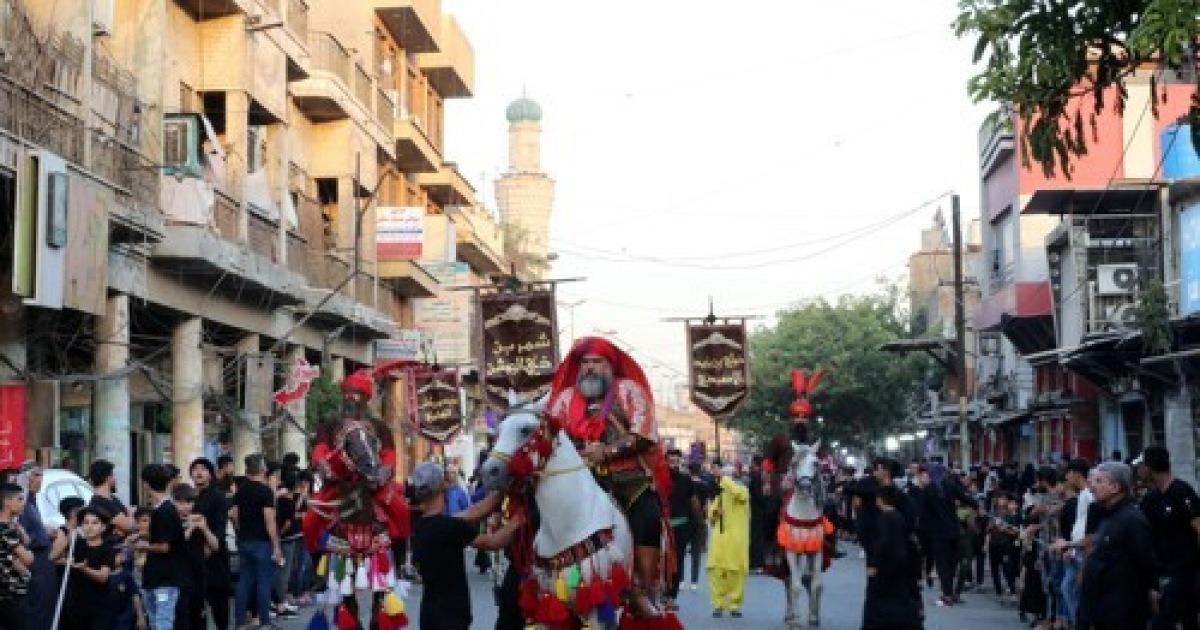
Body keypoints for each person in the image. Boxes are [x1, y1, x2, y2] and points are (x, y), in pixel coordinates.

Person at [547, 336, 671, 615]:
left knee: (648, 516)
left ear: (610, 366)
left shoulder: (629, 391)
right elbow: (550, 434)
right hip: (578, 479)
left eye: (597, 362)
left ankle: (642, 587)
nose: (590, 368)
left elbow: (644, 434)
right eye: (585, 362)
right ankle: (540, 576)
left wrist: (608, 452)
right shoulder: (565, 399)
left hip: (627, 478)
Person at [410, 462, 522, 630]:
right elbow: (494, 542)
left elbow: (472, 512)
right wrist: (519, 519)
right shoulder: (450, 527)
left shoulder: (421, 526)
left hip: (429, 615)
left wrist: (500, 492)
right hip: (452, 616)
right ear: (443, 487)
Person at [1077, 462, 1158, 630]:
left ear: (1115, 487)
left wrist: (1151, 592)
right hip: (1100, 610)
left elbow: (1145, 564)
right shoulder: (1107, 516)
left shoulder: (1132, 520)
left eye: (1099, 481)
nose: (1092, 487)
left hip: (1121, 613)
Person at [1137, 446, 1200, 630]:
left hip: (1186, 570)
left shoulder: (1182, 491)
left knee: (1164, 620)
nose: (1139, 470)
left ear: (1149, 467)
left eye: (1142, 465)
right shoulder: (1151, 499)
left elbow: (1197, 525)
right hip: (1163, 571)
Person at [862, 485, 923, 630]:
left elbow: (882, 543)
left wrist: (874, 564)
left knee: (878, 598)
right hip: (901, 563)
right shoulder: (899, 516)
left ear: (881, 500)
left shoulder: (885, 518)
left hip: (887, 564)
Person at [230, 454, 280, 629]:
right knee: (263, 582)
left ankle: (239, 622)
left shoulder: (241, 491)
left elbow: (235, 515)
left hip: (245, 540)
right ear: (262, 469)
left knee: (244, 582)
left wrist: (240, 531)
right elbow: (270, 521)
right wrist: (276, 546)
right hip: (262, 542)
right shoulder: (265, 491)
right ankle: (265, 621)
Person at [917, 462, 977, 607]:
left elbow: (922, 514)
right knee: (951, 564)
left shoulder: (928, 490)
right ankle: (951, 593)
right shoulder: (950, 486)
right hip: (953, 532)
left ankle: (947, 595)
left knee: (942, 565)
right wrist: (976, 505)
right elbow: (967, 499)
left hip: (938, 534)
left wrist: (921, 534)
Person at [52, 506, 117, 630]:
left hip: (100, 607)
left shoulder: (107, 549)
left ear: (103, 527)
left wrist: (84, 569)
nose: (89, 527)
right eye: (85, 523)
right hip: (77, 606)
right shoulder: (76, 545)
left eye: (95, 523)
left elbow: (103, 577)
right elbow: (53, 558)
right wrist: (67, 539)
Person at [137, 464, 184, 630]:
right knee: (157, 620)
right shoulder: (165, 509)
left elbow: (164, 546)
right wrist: (143, 536)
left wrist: (143, 545)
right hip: (159, 576)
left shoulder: (163, 511)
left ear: (147, 484)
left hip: (164, 577)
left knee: (162, 622)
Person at [1049, 458, 1092, 628]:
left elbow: (1090, 527)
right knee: (1068, 587)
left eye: (1068, 473)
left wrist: (1074, 547)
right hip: (1074, 547)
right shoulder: (1083, 495)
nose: (1067, 478)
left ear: (1076, 474)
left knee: (1072, 588)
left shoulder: (1089, 496)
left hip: (1083, 549)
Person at [190, 457, 231, 630]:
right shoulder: (189, 496)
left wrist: (209, 549)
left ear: (210, 474)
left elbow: (220, 526)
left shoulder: (217, 496)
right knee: (196, 605)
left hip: (215, 556)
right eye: (195, 469)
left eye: (203, 469)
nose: (198, 472)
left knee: (218, 603)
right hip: (193, 557)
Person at [173, 483, 219, 630]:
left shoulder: (199, 519)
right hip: (178, 577)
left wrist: (204, 529)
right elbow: (177, 544)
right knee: (182, 618)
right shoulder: (171, 520)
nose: (185, 507)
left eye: (189, 502)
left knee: (199, 616)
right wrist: (191, 527)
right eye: (180, 502)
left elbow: (215, 545)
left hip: (198, 574)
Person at [706, 465, 749, 618]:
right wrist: (715, 512)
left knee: (736, 572)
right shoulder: (720, 495)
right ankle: (718, 605)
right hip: (720, 537)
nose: (723, 480)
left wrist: (724, 478)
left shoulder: (742, 491)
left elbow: (738, 494)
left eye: (727, 476)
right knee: (715, 571)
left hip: (736, 539)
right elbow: (710, 514)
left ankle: (734, 605)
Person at [665, 447, 700, 612]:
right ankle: (660, 594)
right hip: (660, 526)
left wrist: (698, 524)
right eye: (670, 460)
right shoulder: (659, 478)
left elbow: (694, 503)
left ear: (680, 461)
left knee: (677, 562)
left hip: (680, 527)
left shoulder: (686, 480)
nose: (673, 463)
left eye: (675, 460)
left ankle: (672, 596)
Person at [0, 483, 32, 630]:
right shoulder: (5, 529)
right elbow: (29, 559)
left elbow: (26, 542)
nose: (22, 503)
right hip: (10, 593)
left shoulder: (11, 526)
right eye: (19, 499)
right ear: (6, 501)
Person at [87, 459, 135, 538]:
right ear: (108, 478)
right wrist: (131, 514)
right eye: (113, 476)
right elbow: (129, 526)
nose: (115, 479)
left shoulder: (112, 498)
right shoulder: (100, 502)